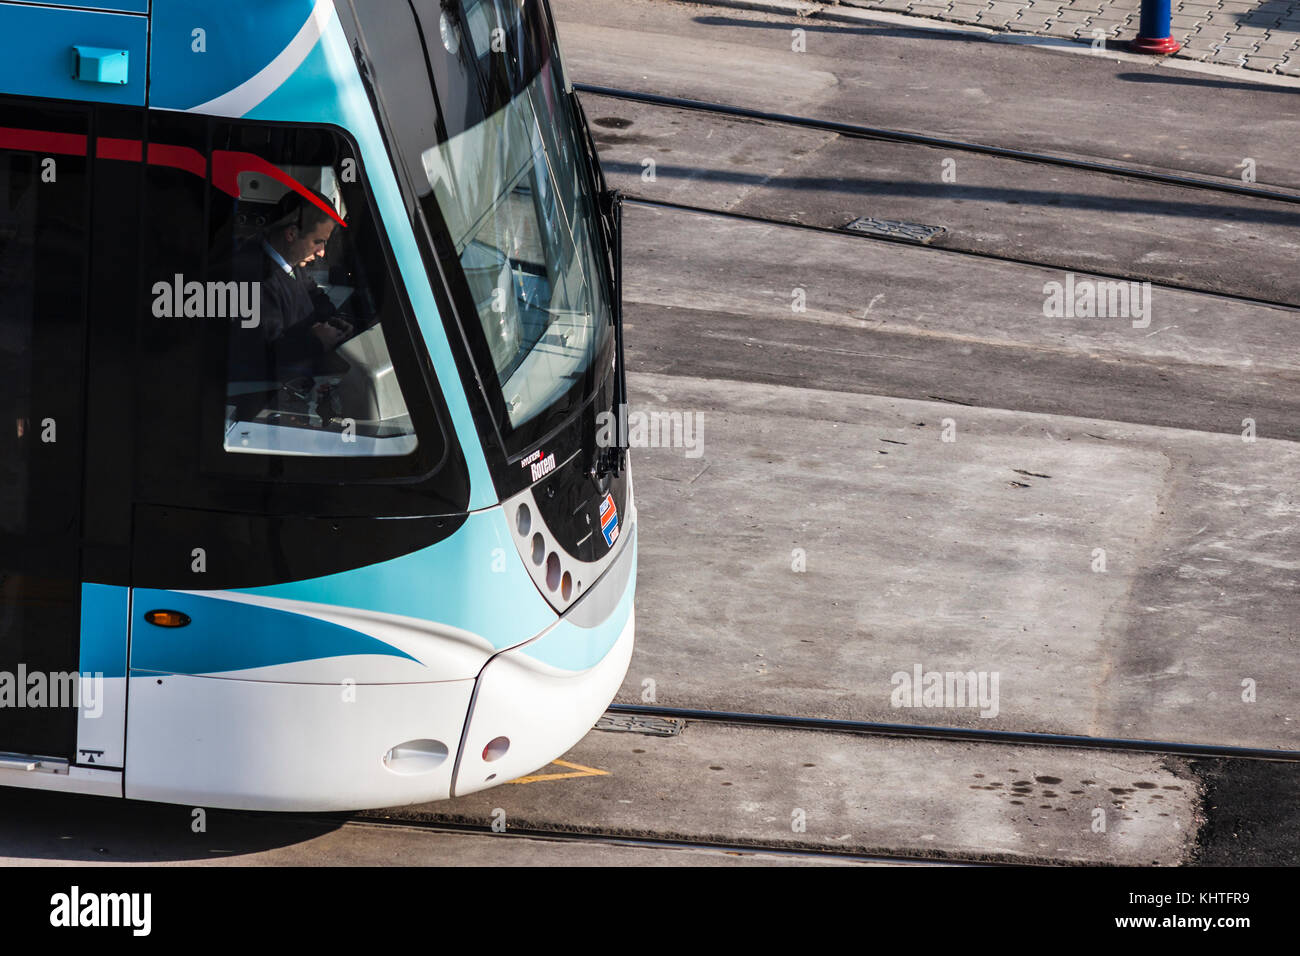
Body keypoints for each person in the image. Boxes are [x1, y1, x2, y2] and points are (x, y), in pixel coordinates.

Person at [229, 188, 352, 382]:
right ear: (291, 234)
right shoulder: (255, 280)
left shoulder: (292, 259)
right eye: (318, 242)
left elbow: (313, 295)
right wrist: (317, 340)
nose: (321, 253)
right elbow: (261, 356)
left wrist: (332, 321)